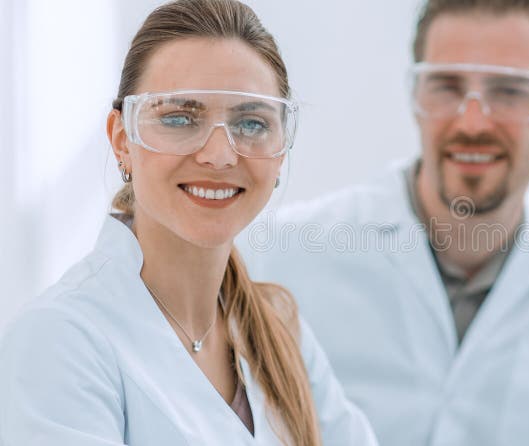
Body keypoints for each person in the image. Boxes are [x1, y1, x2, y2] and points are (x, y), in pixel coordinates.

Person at [239, 0, 529, 444]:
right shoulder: (288, 252)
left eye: (509, 91)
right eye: (447, 87)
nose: (472, 121)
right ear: (416, 97)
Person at [0, 1, 378, 445]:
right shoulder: (60, 340)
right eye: (179, 118)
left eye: (251, 122)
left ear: (281, 151)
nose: (219, 155)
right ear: (122, 140)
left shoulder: (279, 329)